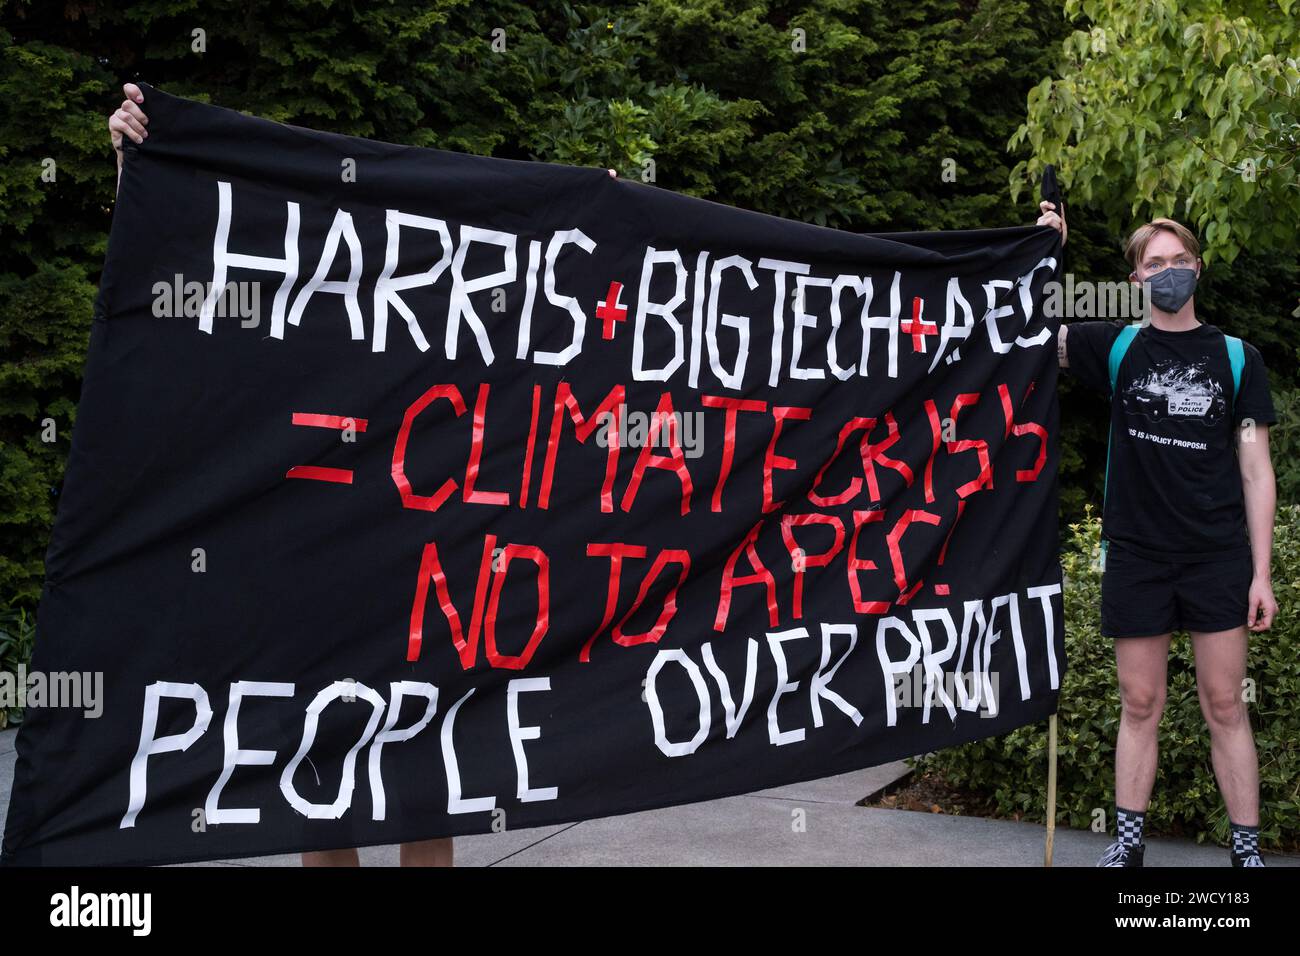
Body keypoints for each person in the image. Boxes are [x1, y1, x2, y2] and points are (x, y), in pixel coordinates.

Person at [1040, 200, 1277, 867]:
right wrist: (1045, 249)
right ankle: (1129, 847)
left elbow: (1256, 471)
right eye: (1154, 263)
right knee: (1140, 703)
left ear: (1197, 269)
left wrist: (1261, 574)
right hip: (1138, 556)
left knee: (1226, 705)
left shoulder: (1238, 359)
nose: (1168, 271)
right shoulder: (1114, 347)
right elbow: (1028, 330)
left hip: (1217, 556)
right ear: (1137, 278)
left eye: (1179, 261)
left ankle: (1247, 853)